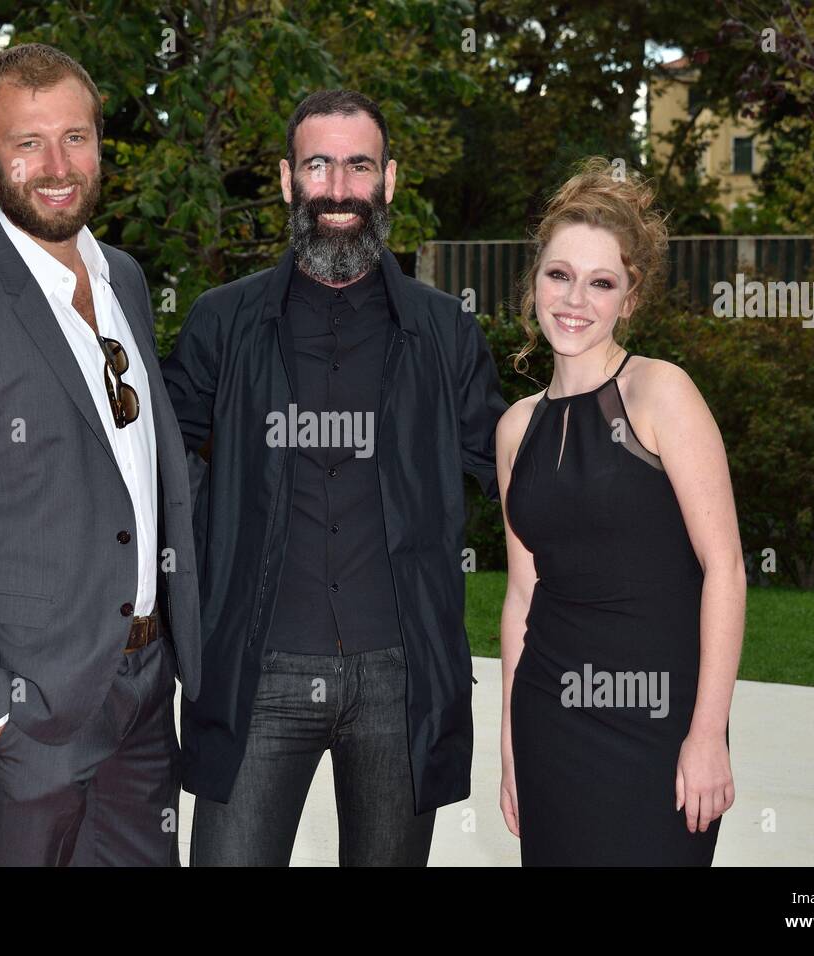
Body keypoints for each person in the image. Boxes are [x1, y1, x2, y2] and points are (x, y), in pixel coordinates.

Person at [0, 42, 201, 866]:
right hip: (25, 717)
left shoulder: (123, 279)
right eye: (28, 143)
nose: (58, 166)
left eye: (76, 137)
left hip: (141, 698)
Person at [162, 89, 508, 866]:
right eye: (320, 166)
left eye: (359, 166)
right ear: (289, 180)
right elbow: (152, 465)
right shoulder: (222, 322)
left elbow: (518, 471)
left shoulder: (445, 330)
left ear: (390, 179)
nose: (340, 190)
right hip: (258, 674)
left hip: (400, 679)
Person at [496, 157, 744, 865]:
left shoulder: (661, 393)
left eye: (601, 282)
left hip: (660, 730)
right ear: (535, 281)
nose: (575, 299)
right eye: (559, 274)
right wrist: (511, 750)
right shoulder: (516, 428)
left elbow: (725, 568)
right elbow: (520, 599)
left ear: (629, 299)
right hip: (550, 725)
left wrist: (707, 735)